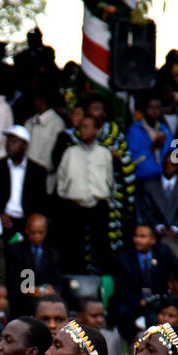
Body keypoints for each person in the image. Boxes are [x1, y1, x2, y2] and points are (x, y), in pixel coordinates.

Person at [56, 114, 114, 274]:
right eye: (81, 126)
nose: (83, 130)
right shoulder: (70, 152)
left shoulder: (104, 153)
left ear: (96, 131)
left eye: (87, 126)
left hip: (98, 205)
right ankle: (76, 284)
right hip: (75, 205)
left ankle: (105, 285)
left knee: (102, 246)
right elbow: (61, 179)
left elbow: (109, 179)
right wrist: (67, 195)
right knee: (74, 248)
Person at [0, 125, 46, 234]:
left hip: (26, 222)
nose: (9, 144)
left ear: (24, 146)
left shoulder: (38, 171)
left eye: (14, 141)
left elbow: (40, 201)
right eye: (8, 140)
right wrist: (0, 214)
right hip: (1, 219)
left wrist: (30, 220)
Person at [4, 213, 63, 319]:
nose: (37, 236)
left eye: (40, 232)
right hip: (21, 303)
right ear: (26, 230)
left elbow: (58, 282)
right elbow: (10, 280)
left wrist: (52, 290)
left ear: (46, 231)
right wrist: (27, 290)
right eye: (33, 233)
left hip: (46, 301)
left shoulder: (52, 253)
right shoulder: (15, 251)